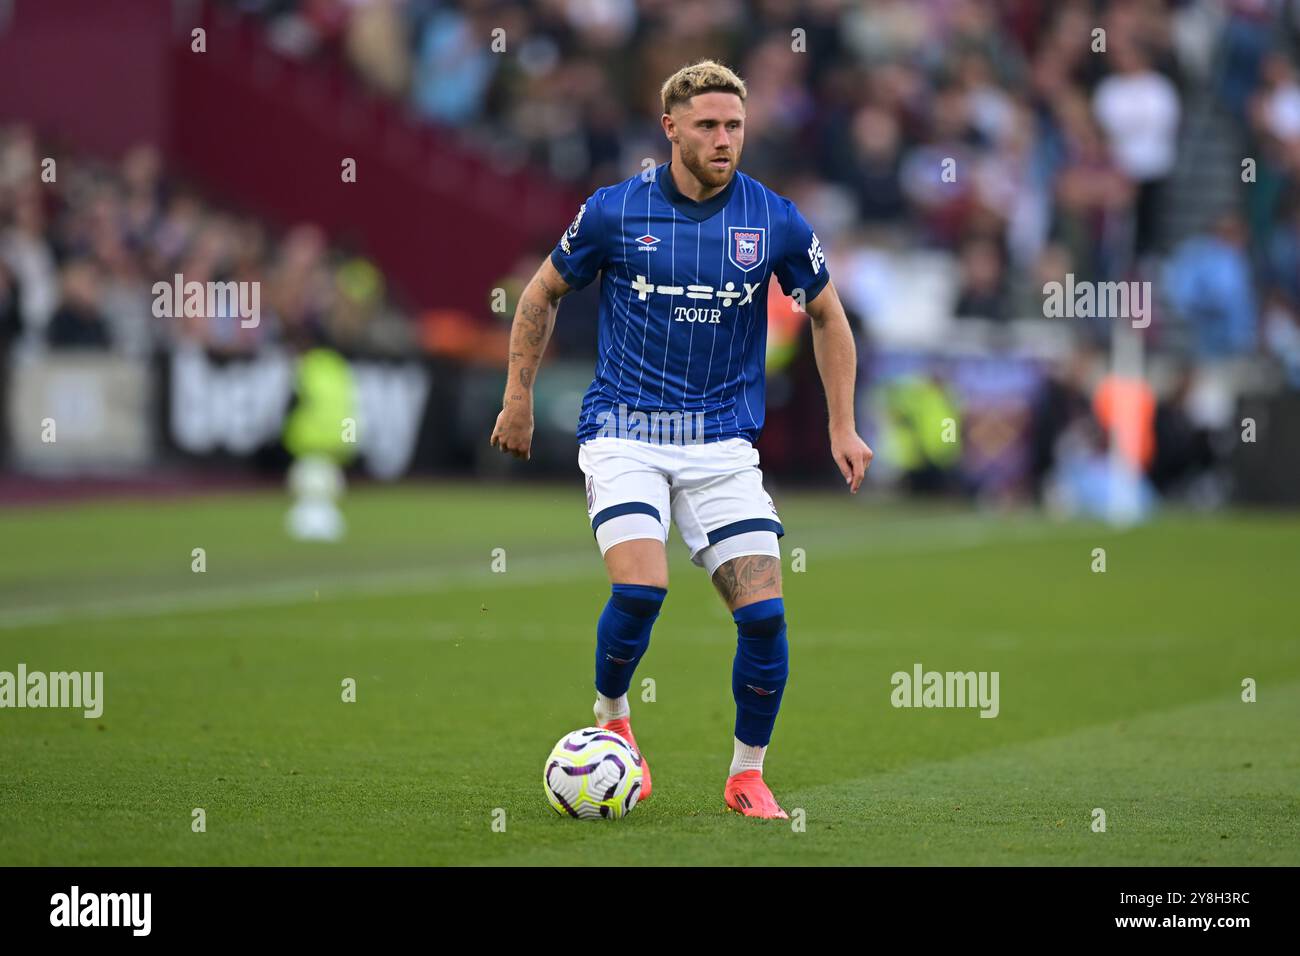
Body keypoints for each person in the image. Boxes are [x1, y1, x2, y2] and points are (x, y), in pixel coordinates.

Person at [490, 60, 872, 819]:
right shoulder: (614, 212)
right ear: (671, 129)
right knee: (641, 588)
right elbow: (541, 292)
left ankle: (747, 775)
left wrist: (842, 425)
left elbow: (829, 314)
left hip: (721, 443)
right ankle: (611, 713)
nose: (724, 139)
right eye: (707, 126)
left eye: (734, 125)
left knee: (764, 615)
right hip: (625, 431)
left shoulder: (774, 221)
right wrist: (518, 400)